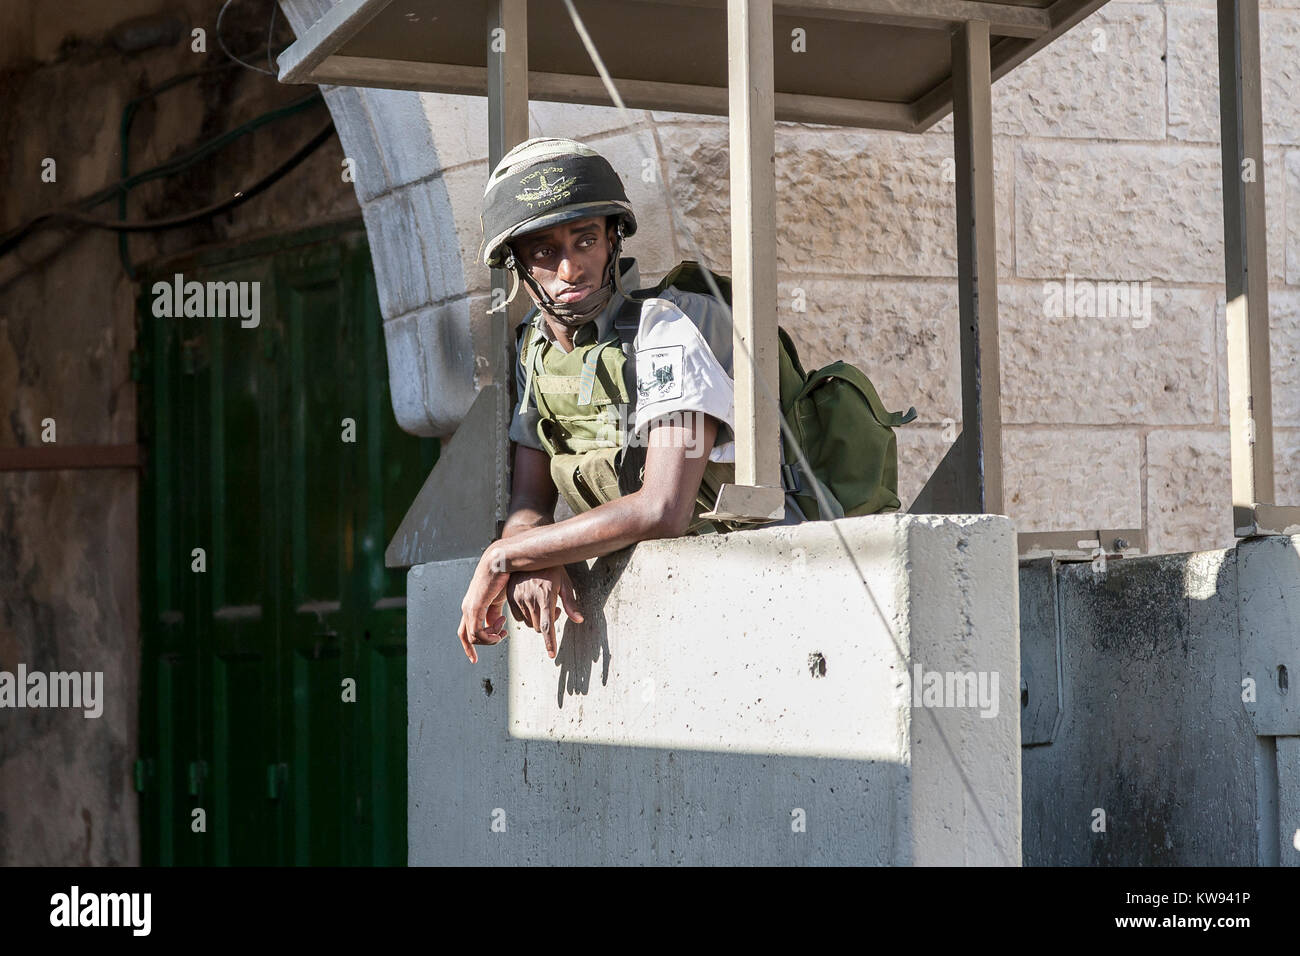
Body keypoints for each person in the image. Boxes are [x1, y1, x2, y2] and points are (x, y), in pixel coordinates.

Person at [455, 136, 771, 664]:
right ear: (518, 265)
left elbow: (663, 508)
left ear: (612, 240)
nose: (569, 269)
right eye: (544, 252)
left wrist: (504, 558)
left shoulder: (667, 326)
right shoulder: (535, 347)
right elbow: (530, 503)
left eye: (584, 242)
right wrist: (537, 560)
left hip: (752, 579)